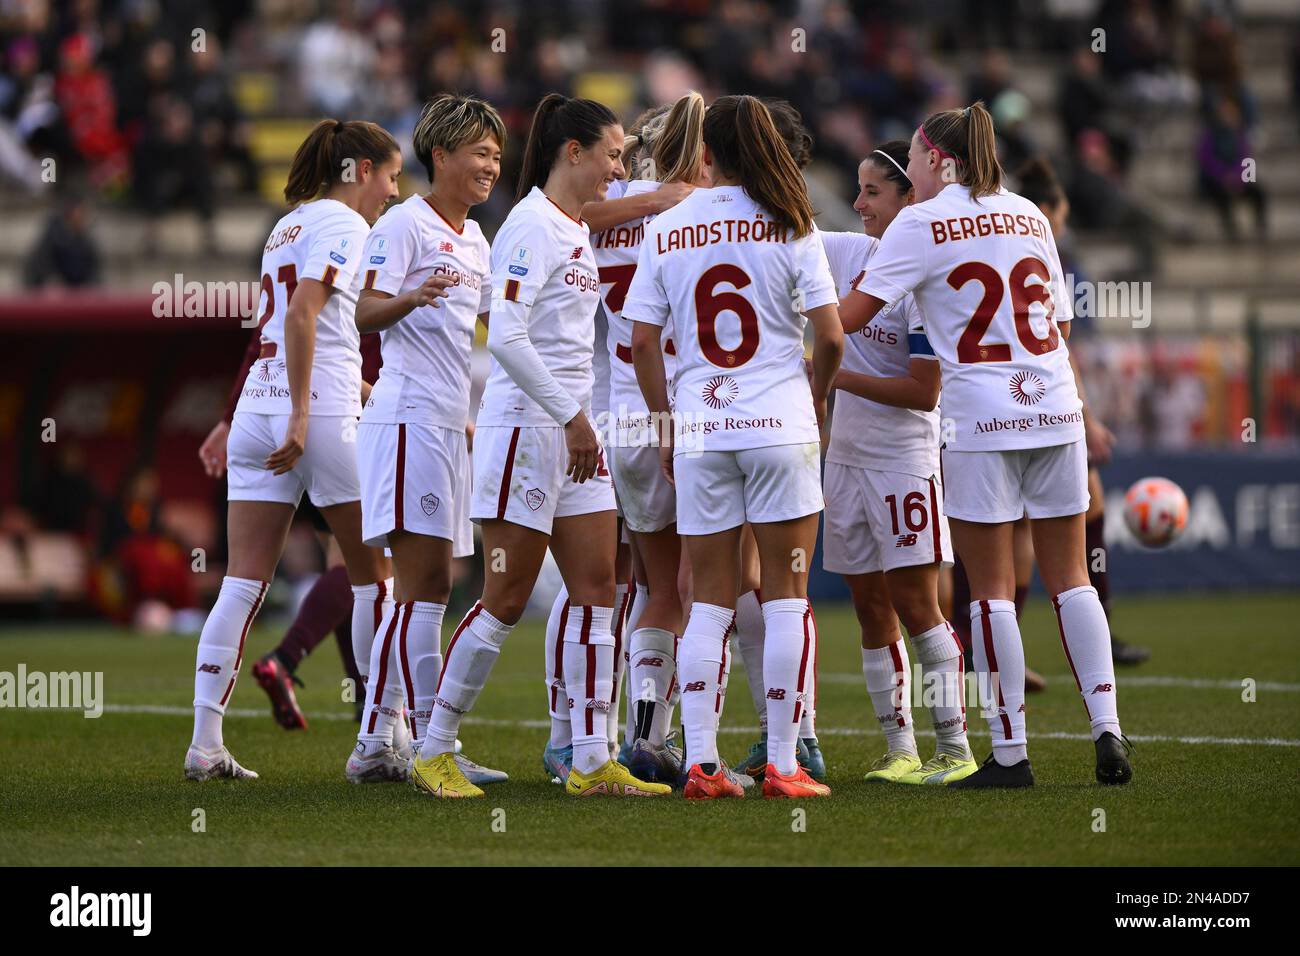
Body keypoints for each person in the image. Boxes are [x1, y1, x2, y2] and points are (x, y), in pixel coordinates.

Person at [844, 102, 1132, 788]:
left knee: (992, 592)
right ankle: (1108, 730)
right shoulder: (1030, 213)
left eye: (913, 159)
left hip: (980, 420)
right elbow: (1060, 326)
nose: (910, 172)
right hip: (1055, 407)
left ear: (938, 161)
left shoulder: (919, 221)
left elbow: (851, 316)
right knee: (1073, 578)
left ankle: (1010, 755)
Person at [413, 94, 670, 799]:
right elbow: (507, 335)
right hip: (528, 432)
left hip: (573, 435)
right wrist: (572, 416)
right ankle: (434, 749)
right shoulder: (530, 225)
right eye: (613, 155)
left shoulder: (574, 226)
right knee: (505, 596)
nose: (620, 170)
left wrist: (578, 421)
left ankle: (590, 760)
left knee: (597, 590)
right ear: (574, 152)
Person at [626, 94, 844, 799]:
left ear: (705, 154)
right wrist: (817, 395)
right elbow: (831, 336)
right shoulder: (792, 220)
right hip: (780, 427)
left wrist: (664, 424)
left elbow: (641, 343)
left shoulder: (667, 225)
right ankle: (783, 762)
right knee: (786, 598)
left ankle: (701, 765)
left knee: (709, 603)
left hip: (700, 428)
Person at [185, 119, 399, 781]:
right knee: (377, 579)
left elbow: (294, 332)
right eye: (391, 176)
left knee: (242, 583)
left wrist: (370, 393)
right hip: (314, 411)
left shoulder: (287, 226)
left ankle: (205, 745)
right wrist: (305, 413)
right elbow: (305, 313)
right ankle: (380, 740)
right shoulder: (345, 224)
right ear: (361, 170)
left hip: (258, 404)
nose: (394, 192)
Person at [350, 93, 509, 787]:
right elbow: (360, 311)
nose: (491, 166)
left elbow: (494, 331)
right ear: (440, 155)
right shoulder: (403, 225)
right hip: (407, 418)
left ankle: (388, 744)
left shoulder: (477, 239)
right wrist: (408, 299)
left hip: (446, 424)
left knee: (430, 587)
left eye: (497, 156)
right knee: (421, 588)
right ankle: (416, 745)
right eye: (480, 153)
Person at [827, 140, 976, 785]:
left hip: (901, 461)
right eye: (857, 190)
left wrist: (831, 376)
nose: (858, 203)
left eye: (872, 192)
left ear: (909, 197)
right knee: (869, 607)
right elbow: (783, 231)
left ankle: (956, 748)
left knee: (918, 605)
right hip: (844, 459)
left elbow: (924, 392)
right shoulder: (848, 253)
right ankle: (900, 749)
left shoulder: (923, 279)